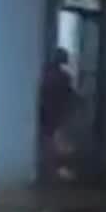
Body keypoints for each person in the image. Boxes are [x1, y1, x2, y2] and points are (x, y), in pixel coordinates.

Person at [38, 49, 78, 181]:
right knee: (59, 144)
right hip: (57, 114)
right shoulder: (63, 77)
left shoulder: (45, 73)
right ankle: (58, 171)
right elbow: (69, 95)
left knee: (51, 142)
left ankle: (53, 170)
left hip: (47, 113)